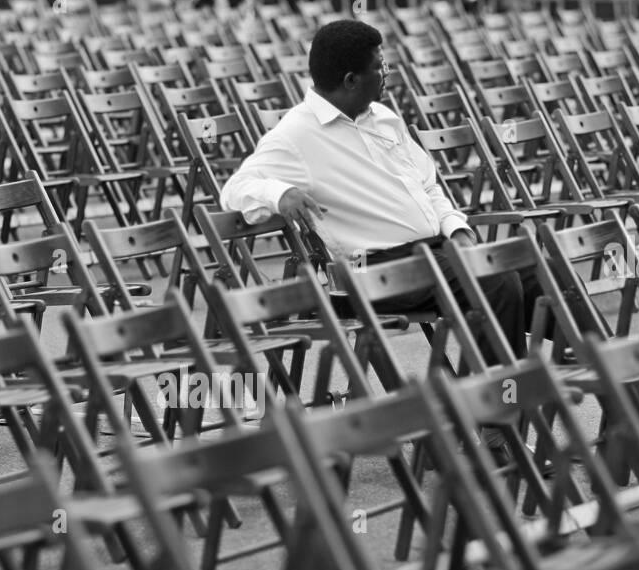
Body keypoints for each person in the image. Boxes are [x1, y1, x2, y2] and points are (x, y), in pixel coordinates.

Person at [221, 19, 539, 364]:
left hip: (434, 253)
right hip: (372, 271)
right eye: (380, 67)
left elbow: (427, 185)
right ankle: (497, 405)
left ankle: (598, 370)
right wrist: (279, 192)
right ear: (350, 80)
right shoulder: (295, 134)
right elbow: (235, 189)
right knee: (496, 281)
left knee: (537, 272)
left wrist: (456, 228)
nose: (386, 73)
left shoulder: (382, 117)